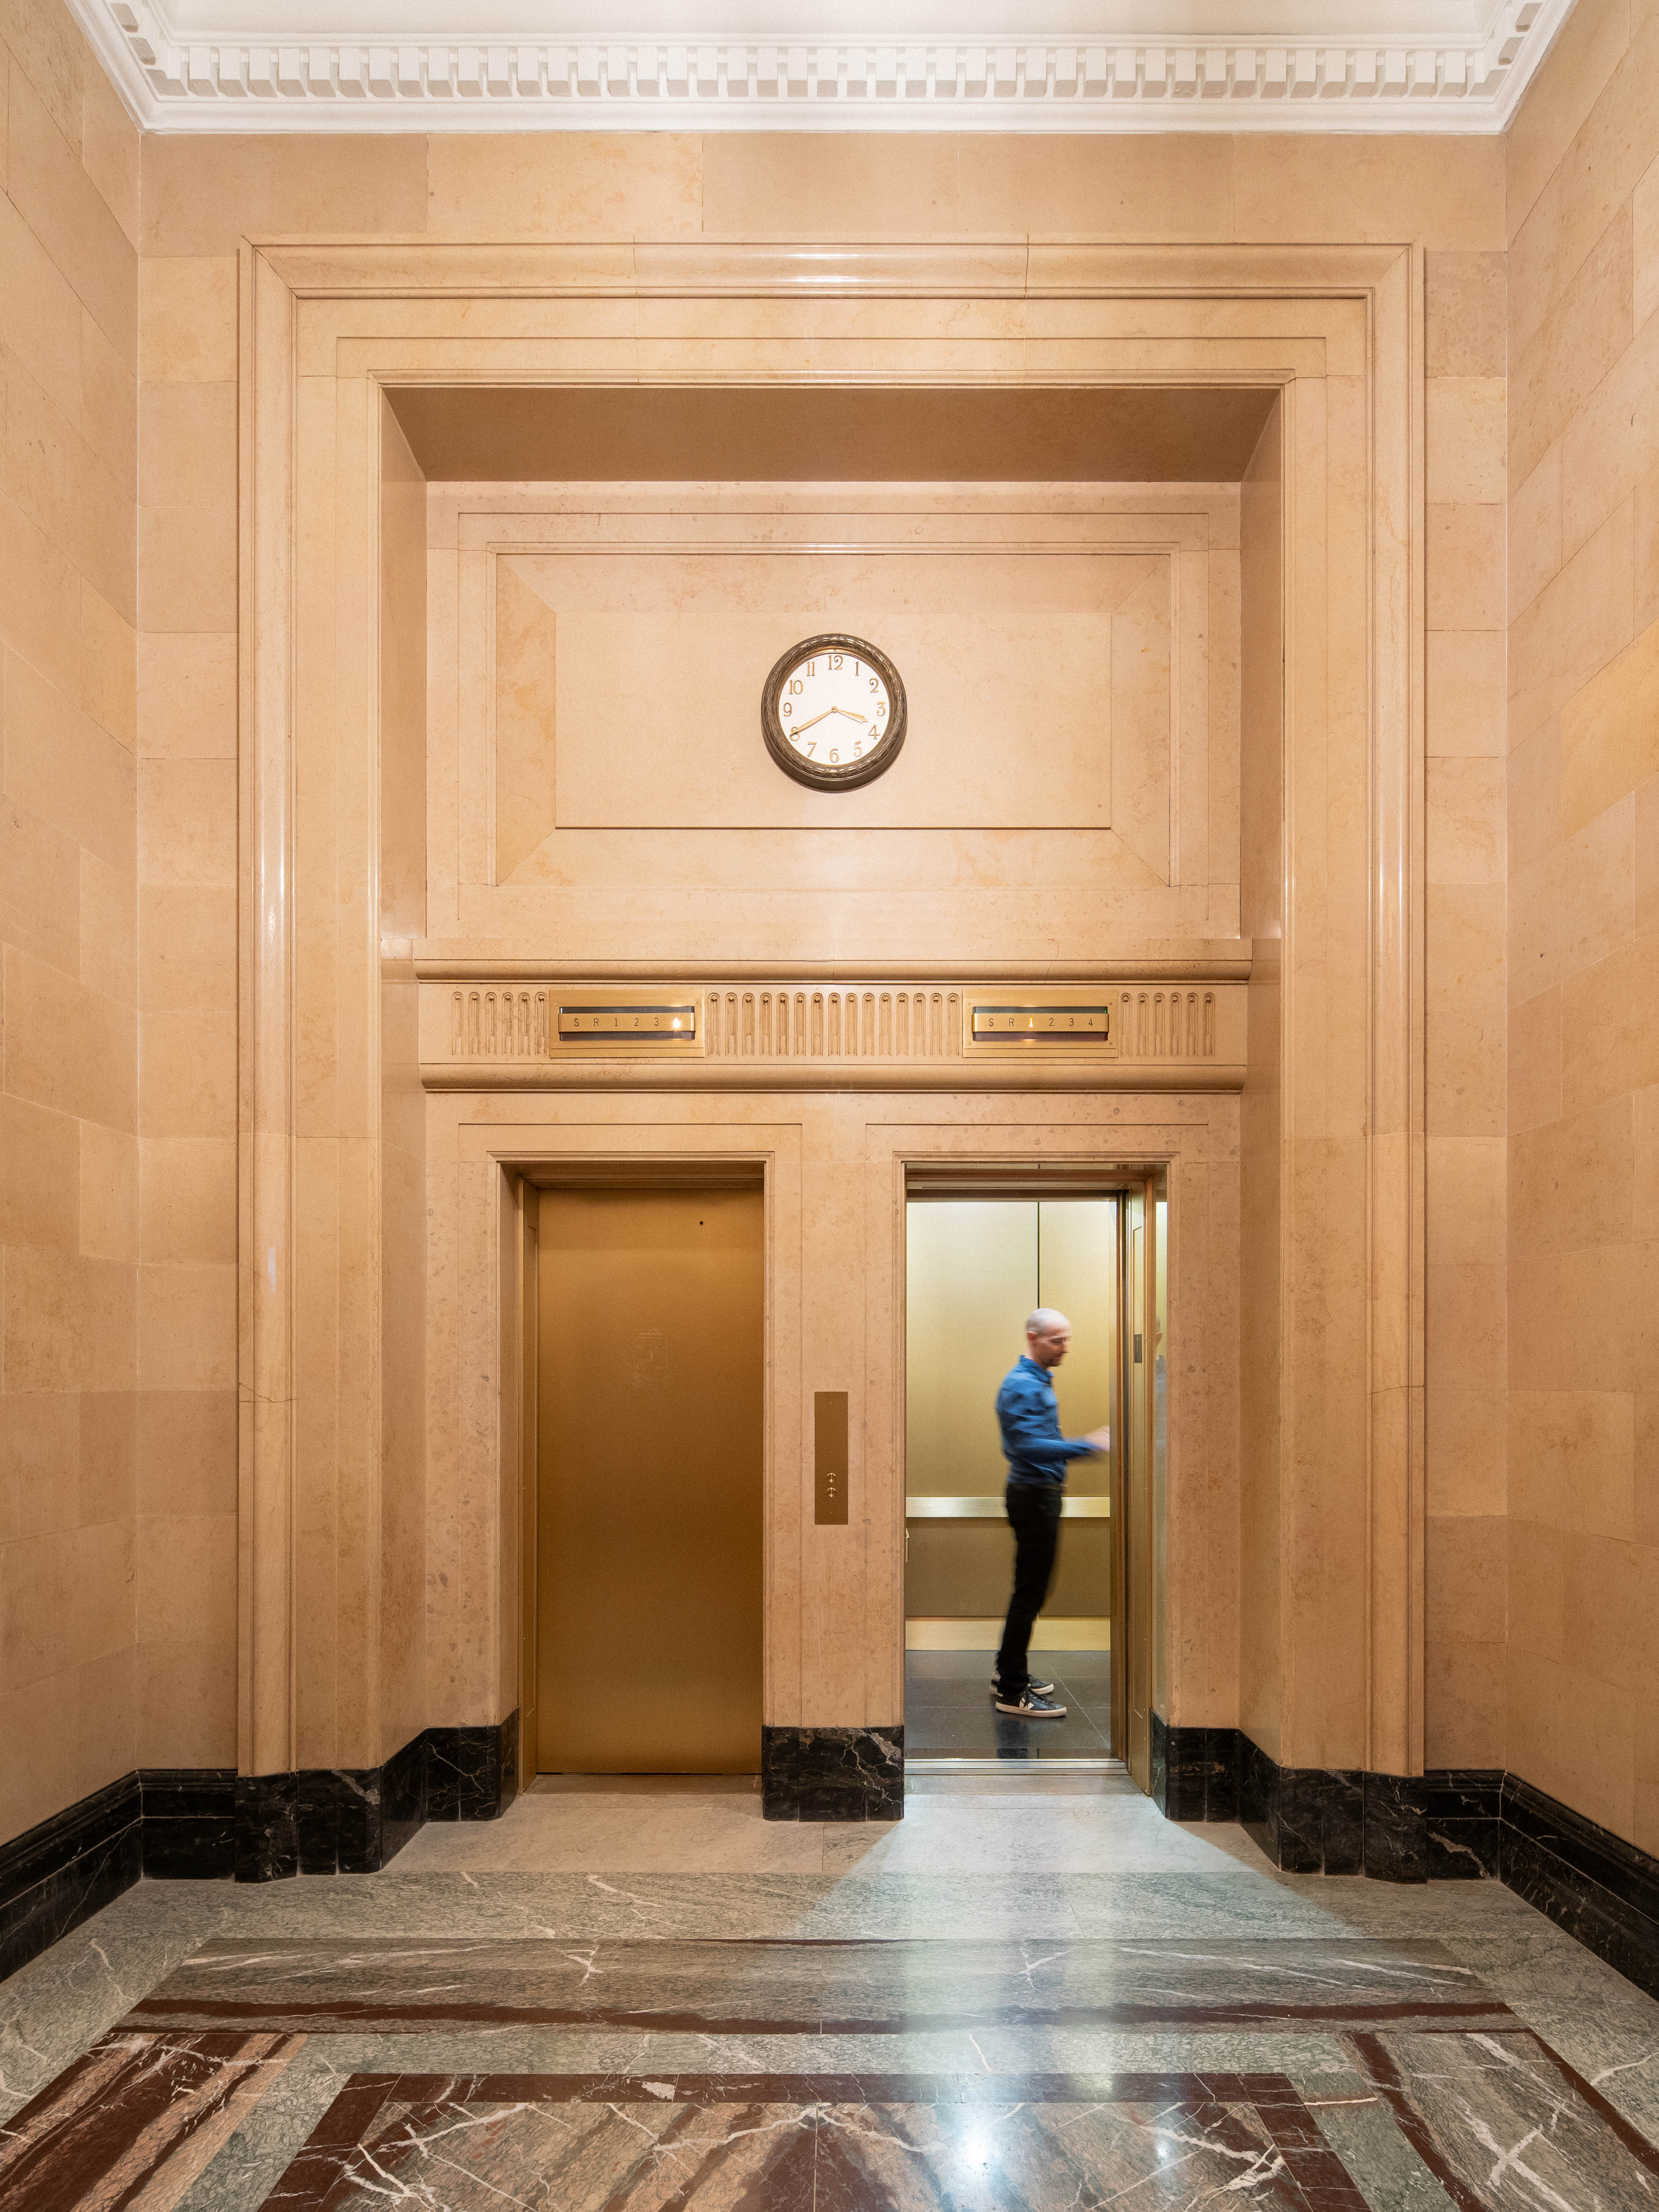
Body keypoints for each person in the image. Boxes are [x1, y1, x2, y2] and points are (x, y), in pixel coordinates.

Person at [992, 1309, 1110, 1718]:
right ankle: (1012, 1691)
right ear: (1033, 1337)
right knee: (1031, 1592)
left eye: (1067, 1340)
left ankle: (1009, 1670)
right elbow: (1027, 1446)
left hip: (1036, 1493)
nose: (1064, 1348)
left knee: (1030, 1589)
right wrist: (1087, 1445)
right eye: (1056, 1340)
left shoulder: (1036, 1380)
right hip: (1034, 1496)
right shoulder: (1022, 1385)